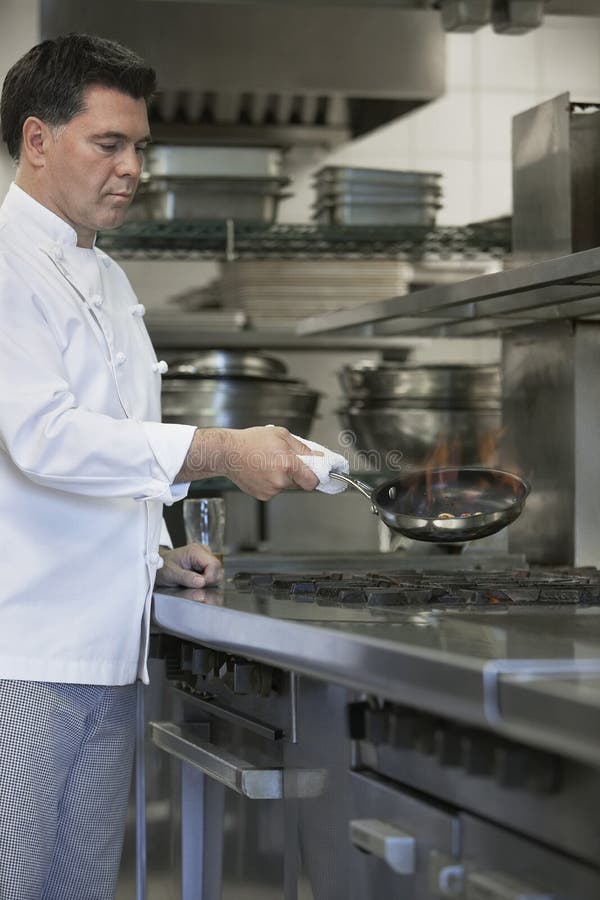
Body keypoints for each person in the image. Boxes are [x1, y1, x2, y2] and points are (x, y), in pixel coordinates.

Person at [0, 33, 325, 900]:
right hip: (20, 656)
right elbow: (43, 438)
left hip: (110, 653)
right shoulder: (4, 263)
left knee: (76, 889)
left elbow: (104, 455)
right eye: (109, 144)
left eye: (140, 147)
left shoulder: (104, 276)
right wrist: (222, 448)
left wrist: (153, 558)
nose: (133, 169)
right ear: (37, 140)